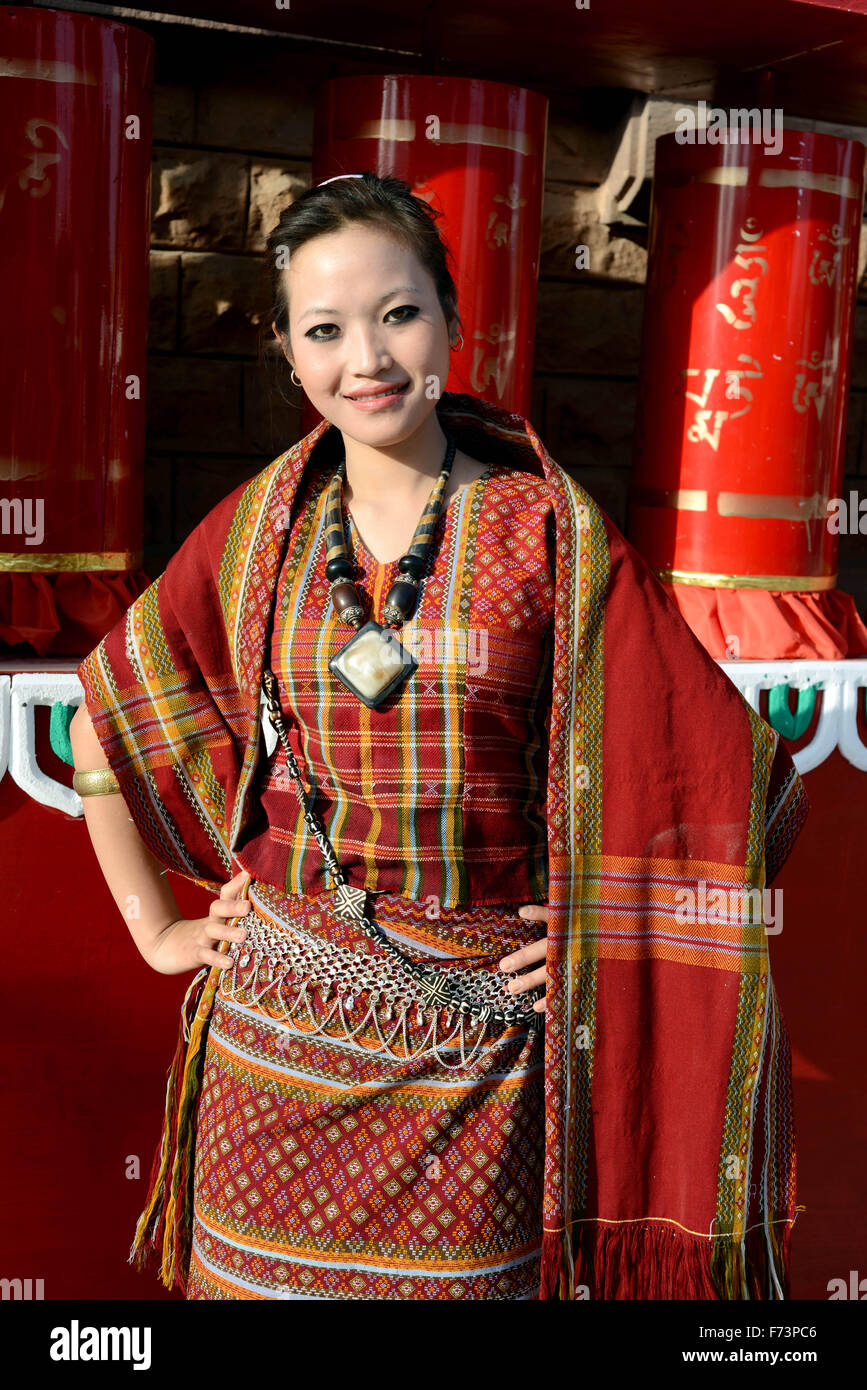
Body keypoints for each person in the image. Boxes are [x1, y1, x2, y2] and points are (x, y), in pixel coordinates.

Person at [71, 170, 809, 1302]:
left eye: (398, 314)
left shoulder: (553, 531)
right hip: (276, 1045)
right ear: (285, 351)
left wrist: (605, 931)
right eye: (325, 329)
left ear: (456, 325)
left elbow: (717, 771)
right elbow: (105, 722)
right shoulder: (258, 528)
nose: (365, 357)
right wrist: (156, 932)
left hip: (486, 1058)